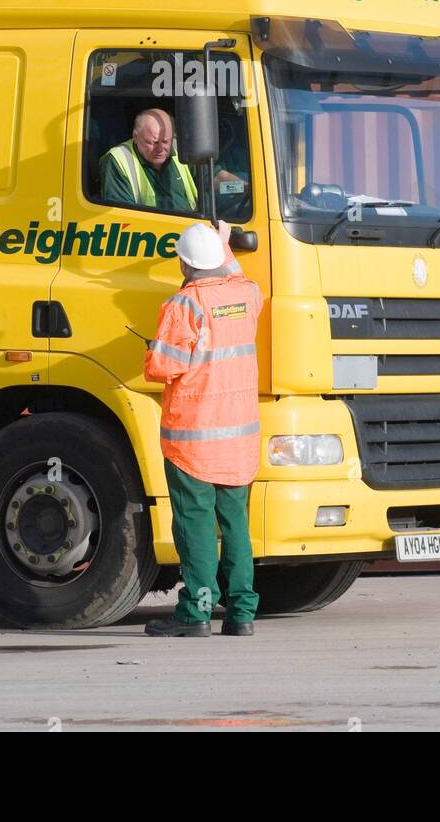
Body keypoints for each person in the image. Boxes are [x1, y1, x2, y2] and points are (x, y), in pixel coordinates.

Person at [142, 219, 263, 638]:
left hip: (192, 442)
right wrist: (223, 244)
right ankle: (242, 613)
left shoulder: (185, 305)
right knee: (236, 528)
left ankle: (196, 612)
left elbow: (163, 367)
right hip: (239, 441)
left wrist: (151, 350)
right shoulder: (246, 296)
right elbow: (237, 277)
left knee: (195, 526)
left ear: (184, 262)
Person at [99, 108, 198, 212]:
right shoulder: (117, 160)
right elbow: (122, 215)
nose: (160, 149)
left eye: (165, 141)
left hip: (192, 225)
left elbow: (208, 190)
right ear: (136, 137)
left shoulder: (183, 151)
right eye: (153, 143)